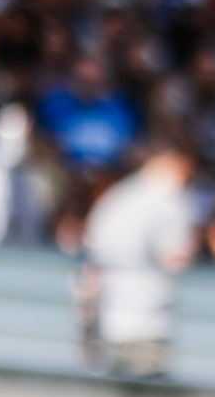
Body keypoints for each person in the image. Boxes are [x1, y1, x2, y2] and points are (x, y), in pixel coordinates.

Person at [79, 141, 198, 377]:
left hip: (109, 324)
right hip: (151, 326)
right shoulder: (169, 200)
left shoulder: (116, 199)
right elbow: (177, 261)